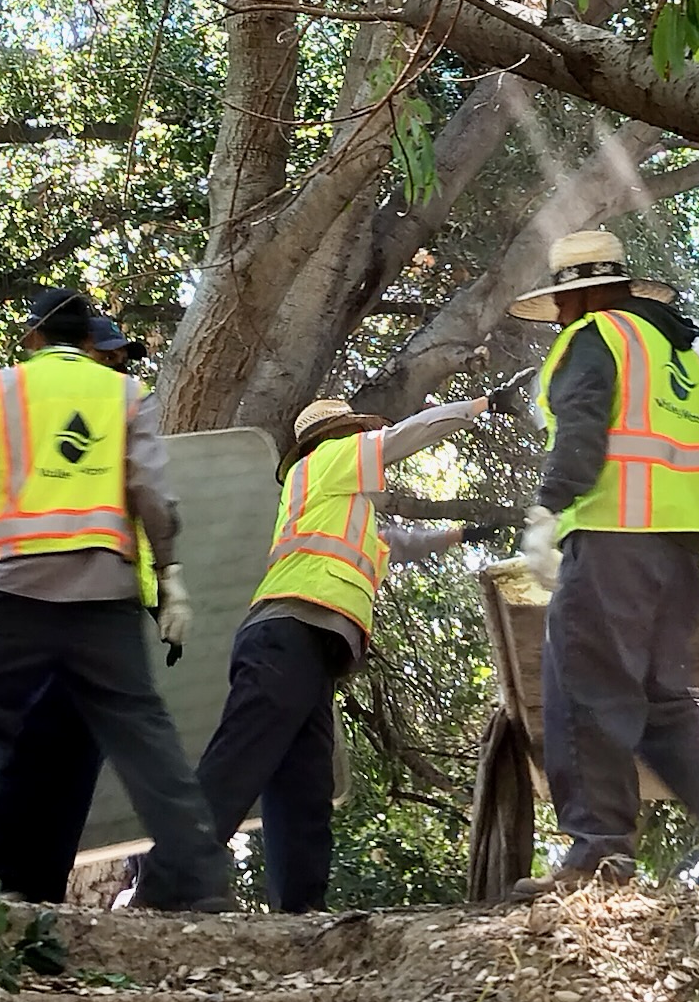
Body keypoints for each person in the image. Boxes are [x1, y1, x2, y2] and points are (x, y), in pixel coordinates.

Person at [0, 289, 232, 910]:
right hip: (103, 597)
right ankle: (202, 886)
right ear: (89, 341)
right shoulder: (126, 395)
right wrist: (170, 573)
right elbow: (152, 495)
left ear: (33, 338)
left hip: (9, 590)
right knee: (143, 736)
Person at [506, 230, 699, 896]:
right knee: (666, 702)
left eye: (560, 304)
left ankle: (599, 855)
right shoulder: (681, 352)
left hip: (611, 539)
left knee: (582, 690)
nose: (558, 317)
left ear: (572, 297)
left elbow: (583, 428)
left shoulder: (594, 337)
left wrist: (549, 512)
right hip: (678, 551)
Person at [195, 389, 526, 911]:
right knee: (241, 757)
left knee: (303, 783)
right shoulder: (326, 460)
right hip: (290, 627)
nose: (368, 445)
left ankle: (300, 913)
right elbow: (405, 437)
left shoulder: (348, 510)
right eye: (359, 434)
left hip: (311, 647)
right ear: (342, 437)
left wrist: (467, 532)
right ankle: (173, 881)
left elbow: (401, 542)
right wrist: (484, 404)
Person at [0, 314, 144, 900]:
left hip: (99, 619)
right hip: (36, 609)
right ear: (82, 347)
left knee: (71, 767)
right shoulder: (32, 406)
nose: (116, 364)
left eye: (120, 357)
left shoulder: (118, 417)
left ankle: (35, 899)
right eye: (108, 352)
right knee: (26, 758)